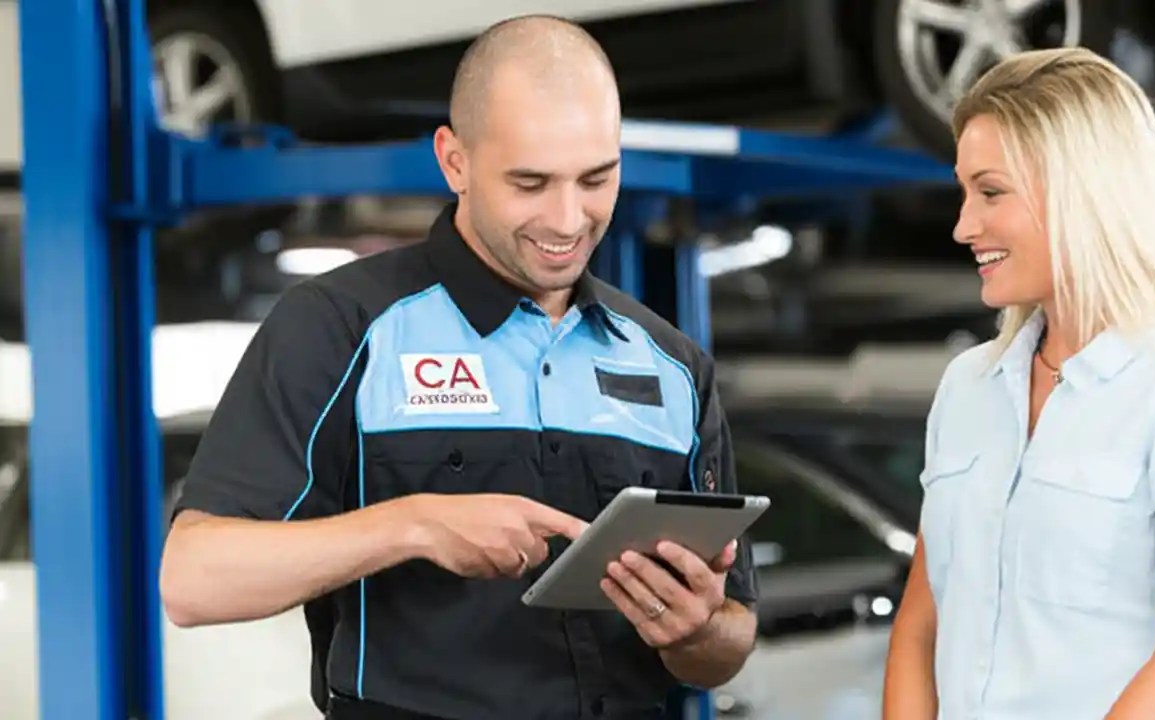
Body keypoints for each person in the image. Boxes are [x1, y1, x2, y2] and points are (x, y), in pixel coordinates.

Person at [159, 15, 759, 720]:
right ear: (455, 162)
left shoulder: (673, 367)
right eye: (531, 183)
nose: (569, 220)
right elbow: (193, 581)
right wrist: (413, 525)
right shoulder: (343, 326)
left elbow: (731, 635)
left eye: (597, 178)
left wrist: (695, 630)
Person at [882, 47, 1155, 720]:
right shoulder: (967, 390)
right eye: (963, 192)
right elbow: (921, 633)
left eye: (991, 191)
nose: (963, 225)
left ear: (1082, 190)